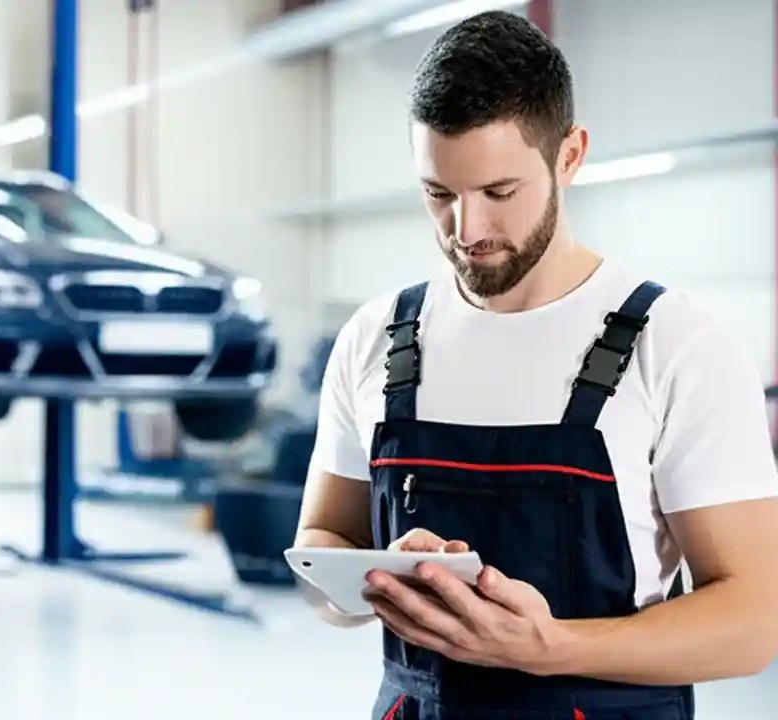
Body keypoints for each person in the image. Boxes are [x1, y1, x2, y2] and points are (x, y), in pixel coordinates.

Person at [292, 10, 778, 720]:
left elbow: (752, 624)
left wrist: (546, 646)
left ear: (570, 157)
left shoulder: (677, 345)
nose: (467, 231)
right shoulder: (376, 339)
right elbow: (319, 550)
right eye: (439, 195)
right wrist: (383, 578)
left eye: (499, 193)